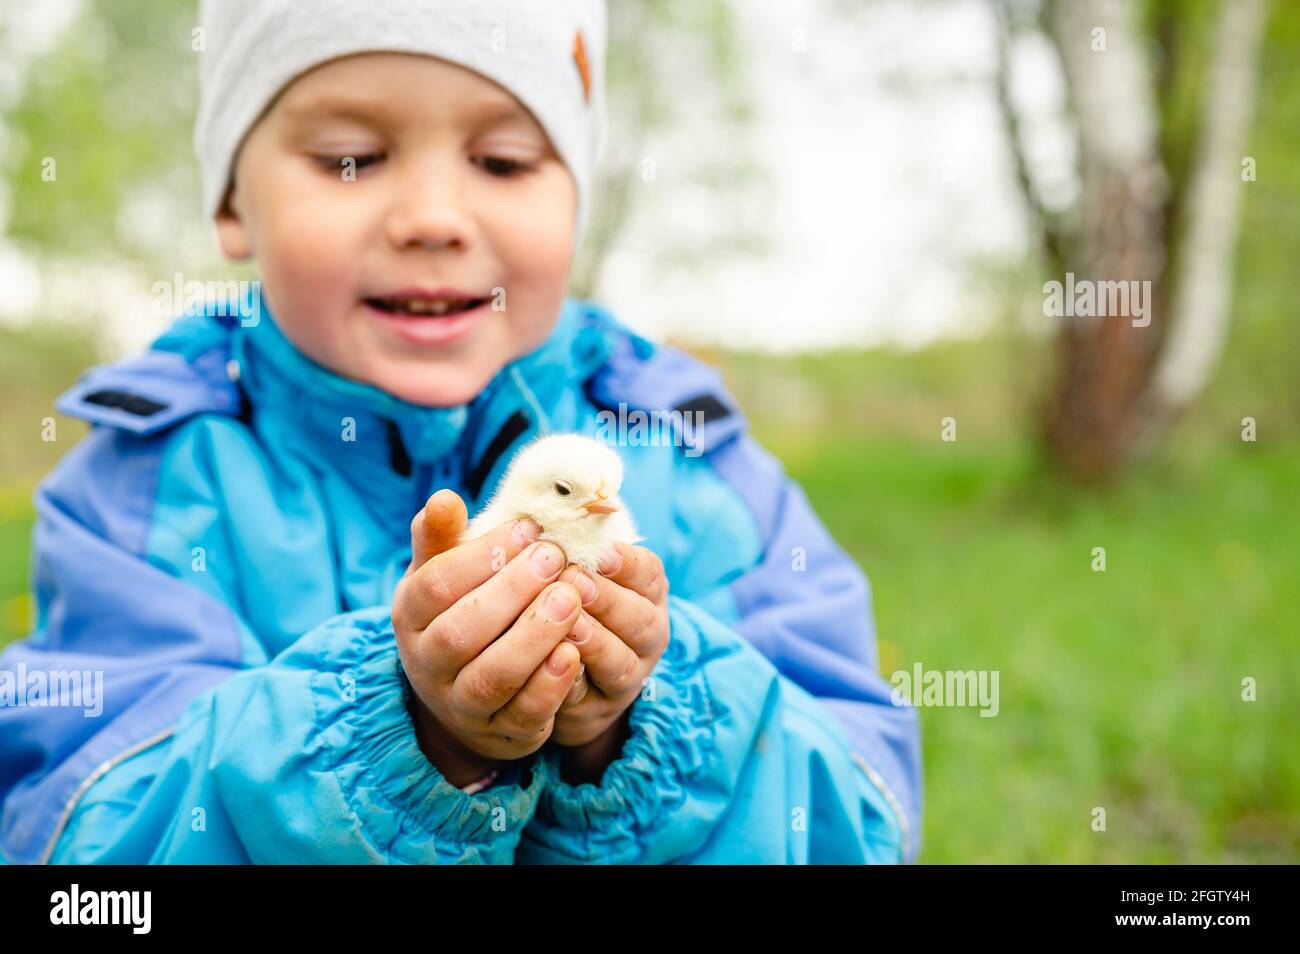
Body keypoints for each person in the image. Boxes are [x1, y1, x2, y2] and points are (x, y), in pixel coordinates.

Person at [0, 0, 921, 865]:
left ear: (575, 199)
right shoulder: (150, 483)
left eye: (506, 161)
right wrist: (408, 737)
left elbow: (859, 807)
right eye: (351, 157)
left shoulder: (690, 457)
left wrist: (624, 736)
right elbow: (81, 840)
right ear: (234, 201)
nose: (434, 220)